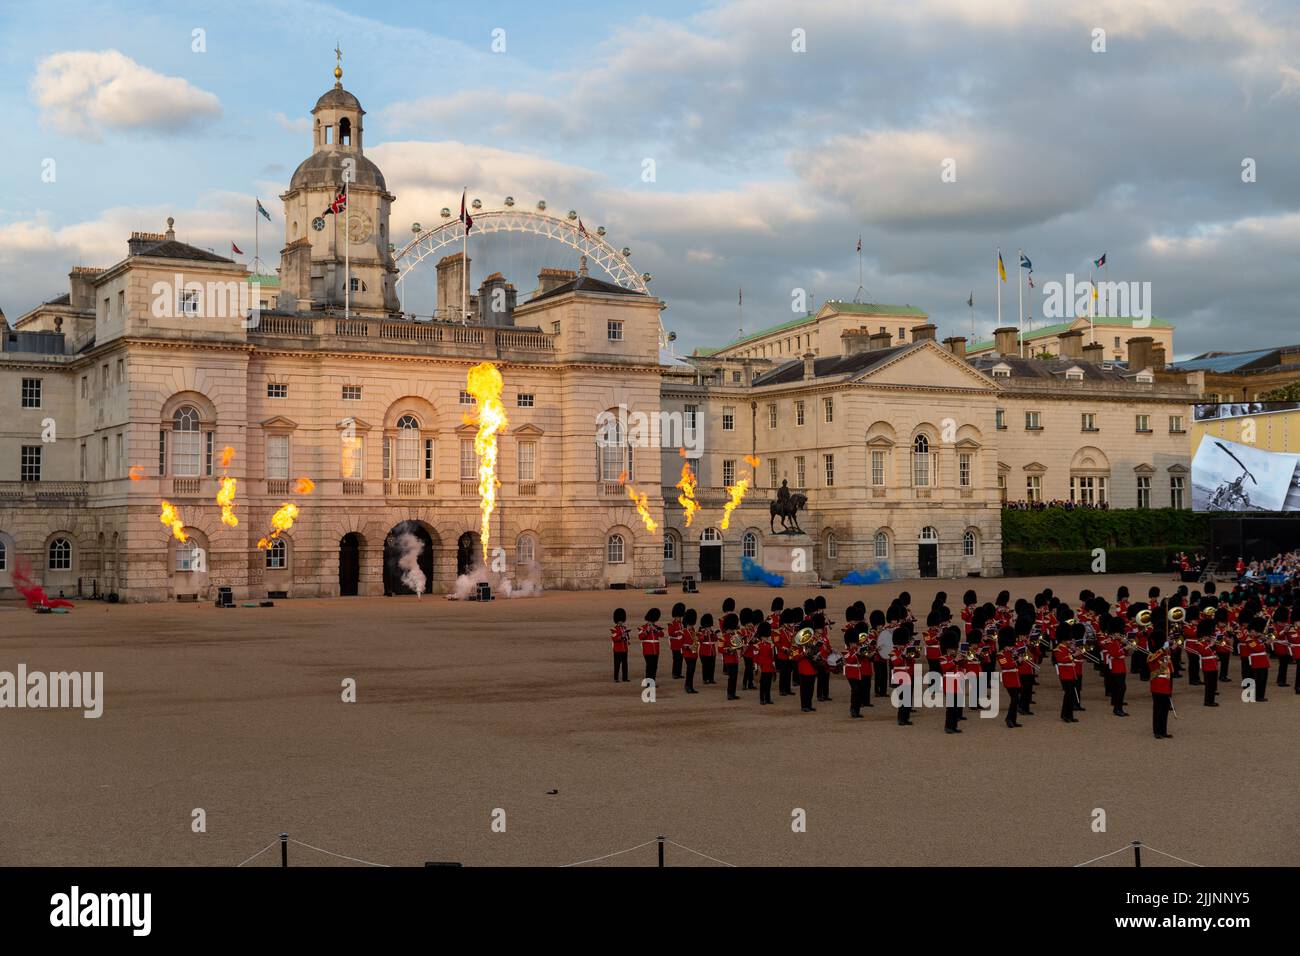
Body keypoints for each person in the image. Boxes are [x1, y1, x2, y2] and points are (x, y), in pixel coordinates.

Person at [996, 628, 1022, 728]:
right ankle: (1009, 719)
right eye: (1008, 646)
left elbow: (1016, 665)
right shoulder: (1000, 654)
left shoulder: (1011, 653)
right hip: (1008, 678)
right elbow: (1006, 665)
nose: (1010, 647)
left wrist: (1020, 659)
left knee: (1016, 699)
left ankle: (1013, 720)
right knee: (1014, 698)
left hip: (1015, 677)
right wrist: (1017, 661)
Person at [1149, 644, 1174, 739]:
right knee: (1157, 709)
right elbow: (1153, 667)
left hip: (1165, 684)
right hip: (1157, 684)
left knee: (1164, 709)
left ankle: (1163, 731)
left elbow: (1171, 670)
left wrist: (1168, 655)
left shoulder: (1165, 656)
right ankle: (1157, 731)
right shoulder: (1151, 655)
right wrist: (1162, 650)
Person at [843, 625, 865, 719]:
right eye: (852, 643)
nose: (854, 644)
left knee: (859, 691)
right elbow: (850, 660)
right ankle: (853, 710)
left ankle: (857, 710)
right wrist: (855, 651)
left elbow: (863, 658)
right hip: (850, 673)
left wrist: (861, 652)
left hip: (858, 672)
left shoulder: (858, 648)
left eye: (854, 642)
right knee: (855, 691)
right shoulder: (847, 651)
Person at [720, 613, 741, 700]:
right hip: (728, 659)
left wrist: (742, 644)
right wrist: (729, 650)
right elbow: (720, 649)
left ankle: (733, 693)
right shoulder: (723, 637)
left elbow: (738, 646)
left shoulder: (734, 636)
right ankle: (729, 694)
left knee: (735, 677)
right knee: (731, 677)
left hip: (735, 659)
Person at [639, 608, 662, 682]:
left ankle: (653, 682)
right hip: (648, 650)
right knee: (649, 667)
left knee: (654, 667)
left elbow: (662, 634)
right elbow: (641, 637)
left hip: (656, 650)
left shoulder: (656, 627)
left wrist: (655, 629)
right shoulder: (642, 627)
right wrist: (648, 630)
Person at [755, 622, 776, 705]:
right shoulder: (757, 646)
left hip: (769, 667)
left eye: (767, 636)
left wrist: (773, 666)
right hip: (762, 667)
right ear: (761, 637)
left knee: (768, 684)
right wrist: (757, 668)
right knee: (763, 684)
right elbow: (755, 658)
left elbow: (772, 657)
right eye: (765, 637)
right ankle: (762, 699)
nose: (766, 638)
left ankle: (768, 698)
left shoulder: (770, 645)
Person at [682, 610, 702, 693]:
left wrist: (699, 637)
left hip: (694, 653)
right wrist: (688, 647)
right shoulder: (683, 632)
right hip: (687, 654)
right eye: (690, 624)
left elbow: (697, 641)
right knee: (690, 669)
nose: (691, 626)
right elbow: (681, 644)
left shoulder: (694, 632)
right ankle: (687, 686)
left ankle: (690, 686)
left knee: (692, 670)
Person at [610, 607, 630, 682]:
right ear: (617, 621)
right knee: (617, 665)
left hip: (624, 648)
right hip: (617, 649)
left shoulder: (624, 628)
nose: (621, 622)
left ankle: (625, 678)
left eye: (622, 621)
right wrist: (621, 636)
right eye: (619, 621)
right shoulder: (614, 629)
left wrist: (627, 638)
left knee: (625, 664)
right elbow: (614, 639)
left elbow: (627, 637)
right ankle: (616, 678)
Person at [667, 602, 686, 679]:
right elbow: (671, 633)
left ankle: (678, 673)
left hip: (681, 644)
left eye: (680, 617)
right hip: (675, 644)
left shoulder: (681, 624)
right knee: (676, 659)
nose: (680, 618)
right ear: (675, 616)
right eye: (679, 617)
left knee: (680, 659)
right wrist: (679, 632)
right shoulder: (671, 624)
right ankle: (674, 673)